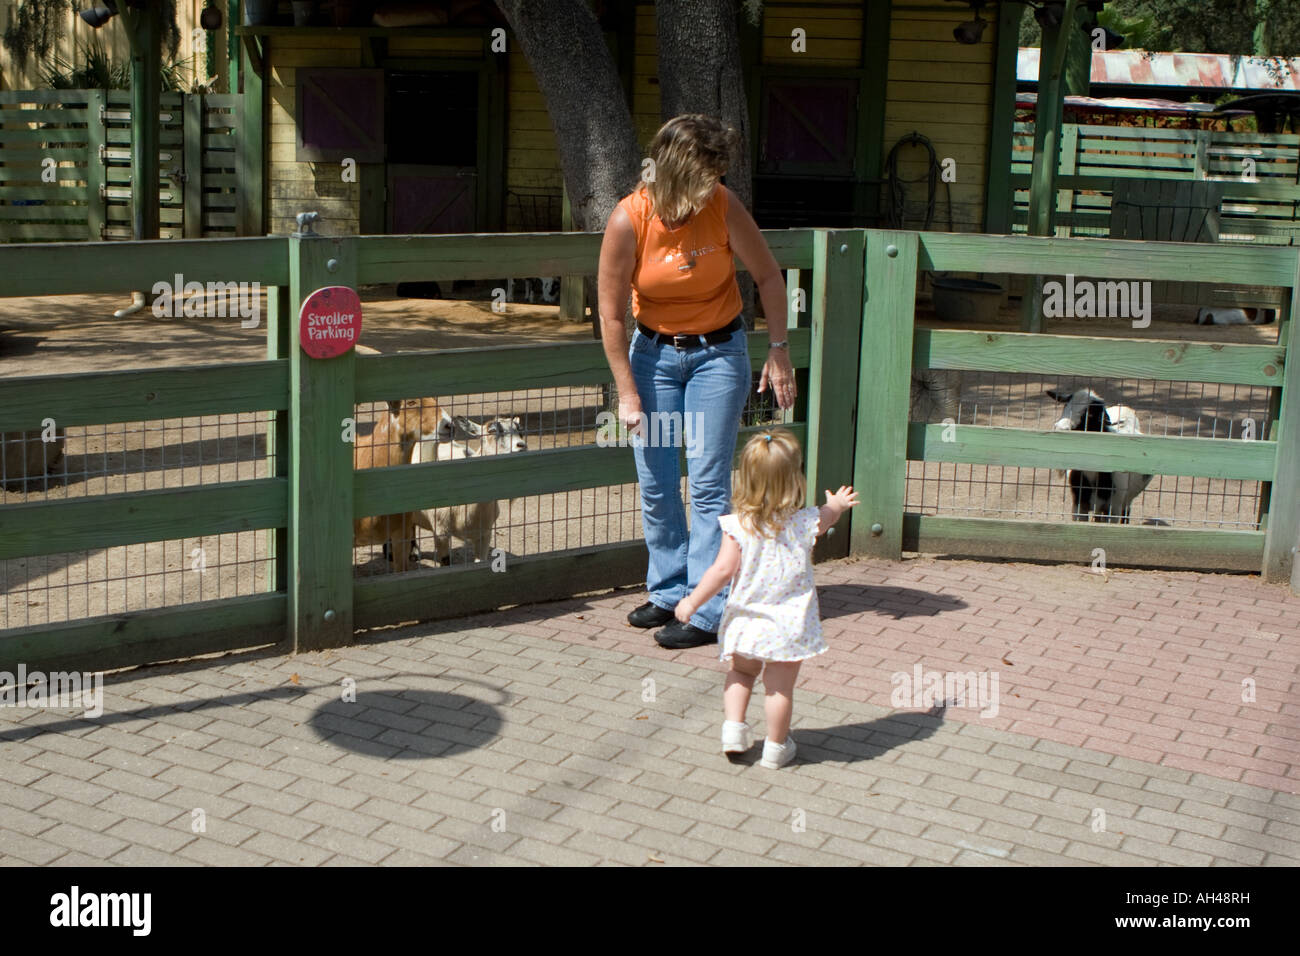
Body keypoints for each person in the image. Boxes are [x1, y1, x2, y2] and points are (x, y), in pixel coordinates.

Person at [597, 113, 798, 650]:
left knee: (708, 486)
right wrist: (627, 391)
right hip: (654, 358)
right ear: (678, 169)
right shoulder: (629, 219)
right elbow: (612, 315)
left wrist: (777, 351)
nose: (716, 182)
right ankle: (667, 590)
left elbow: (768, 276)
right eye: (708, 172)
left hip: (718, 355)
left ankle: (705, 608)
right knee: (657, 480)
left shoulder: (723, 207)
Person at [673, 430, 858, 769]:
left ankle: (733, 729)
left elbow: (722, 570)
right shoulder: (804, 522)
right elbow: (828, 515)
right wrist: (837, 504)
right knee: (779, 689)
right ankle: (775, 748)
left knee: (741, 674)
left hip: (746, 622)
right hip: (789, 626)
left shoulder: (738, 525)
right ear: (795, 480)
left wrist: (692, 602)